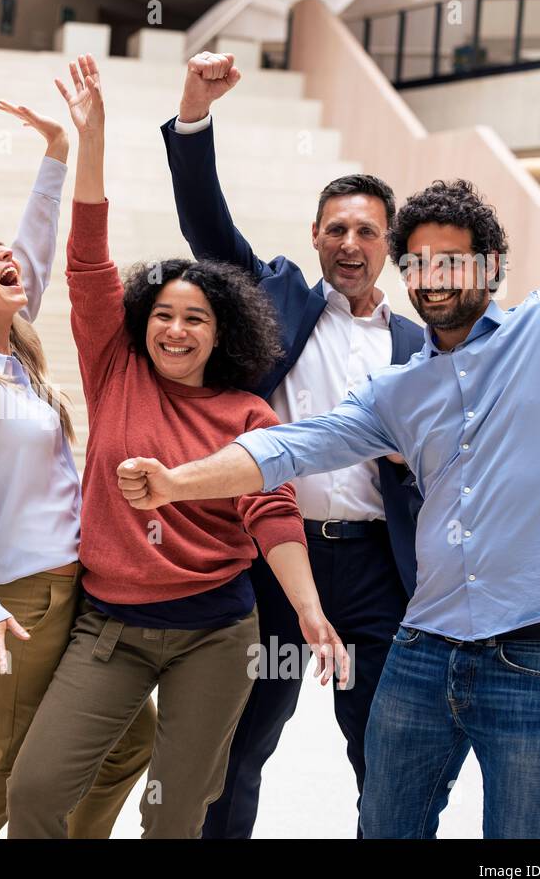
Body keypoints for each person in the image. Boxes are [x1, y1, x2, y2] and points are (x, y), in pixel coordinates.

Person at [117, 143, 540, 838]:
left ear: (490, 266)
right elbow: (291, 445)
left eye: (451, 261)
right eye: (420, 263)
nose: (432, 277)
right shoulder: (398, 389)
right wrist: (176, 483)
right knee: (383, 823)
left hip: (532, 649)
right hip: (422, 643)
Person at [5, 55, 349, 840]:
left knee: (175, 818)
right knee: (35, 791)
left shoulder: (249, 410)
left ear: (223, 330)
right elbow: (87, 258)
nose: (175, 328)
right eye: (163, 312)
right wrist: (90, 141)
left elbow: (273, 512)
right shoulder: (113, 366)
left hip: (216, 637)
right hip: (109, 628)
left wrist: (308, 609)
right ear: (141, 320)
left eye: (195, 317)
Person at [160, 51, 424, 838]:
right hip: (276, 557)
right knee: (238, 745)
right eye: (336, 228)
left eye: (367, 231)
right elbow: (206, 223)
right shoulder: (272, 295)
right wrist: (195, 112)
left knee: (384, 751)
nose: (350, 242)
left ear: (391, 243)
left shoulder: (419, 342)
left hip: (380, 569)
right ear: (314, 235)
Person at [0, 99, 154, 839]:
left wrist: (56, 152)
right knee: (4, 769)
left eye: (0, 249)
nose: (5, 256)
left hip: (76, 582)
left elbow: (34, 249)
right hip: (24, 602)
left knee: (131, 740)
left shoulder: (9, 351)